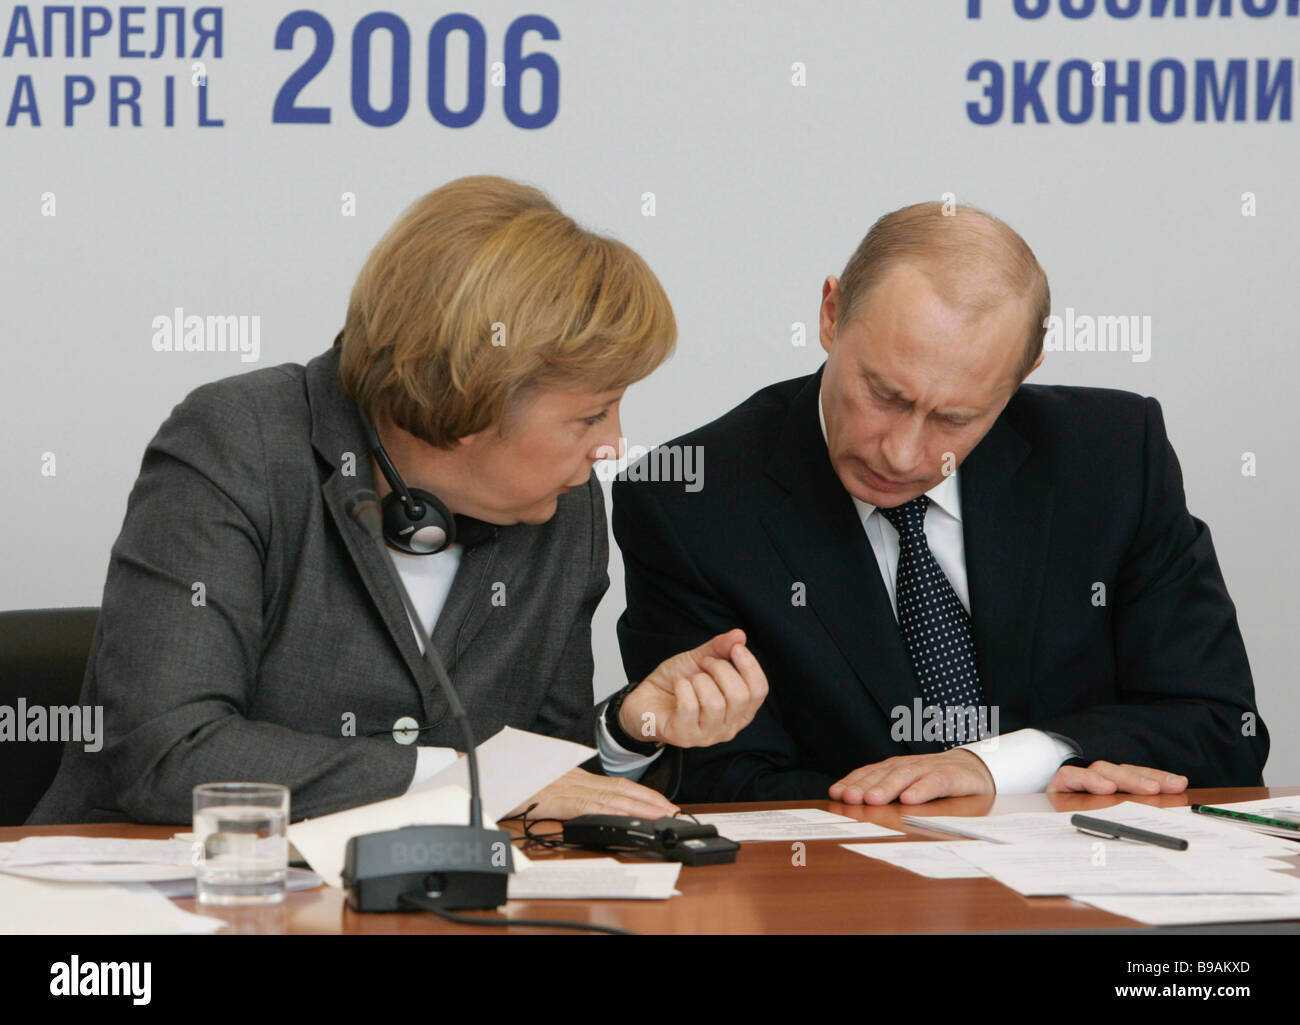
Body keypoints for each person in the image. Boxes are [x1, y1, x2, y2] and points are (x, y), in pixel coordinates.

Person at [29, 175, 767, 826]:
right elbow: (166, 750)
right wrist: (451, 781)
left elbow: (543, 780)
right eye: (589, 415)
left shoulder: (562, 510)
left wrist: (631, 728)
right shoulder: (238, 443)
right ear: (473, 399)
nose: (612, 445)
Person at [613, 200, 1268, 804]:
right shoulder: (691, 504)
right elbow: (721, 783)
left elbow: (1222, 729)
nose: (900, 453)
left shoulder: (1113, 455)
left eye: (955, 417)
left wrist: (998, 765)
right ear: (831, 313)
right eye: (884, 395)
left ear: (1024, 374)